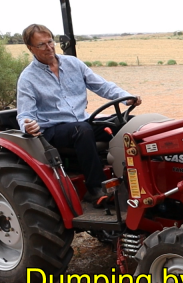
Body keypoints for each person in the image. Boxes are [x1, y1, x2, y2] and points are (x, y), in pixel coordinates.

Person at [15, 23, 142, 207]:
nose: (49, 47)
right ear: (30, 48)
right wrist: (27, 125)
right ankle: (96, 189)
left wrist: (126, 98)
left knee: (127, 123)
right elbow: (25, 114)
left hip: (83, 122)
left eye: (50, 41)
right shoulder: (28, 78)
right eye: (41, 44)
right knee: (81, 130)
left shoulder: (73, 64)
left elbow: (102, 86)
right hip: (53, 130)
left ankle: (136, 179)